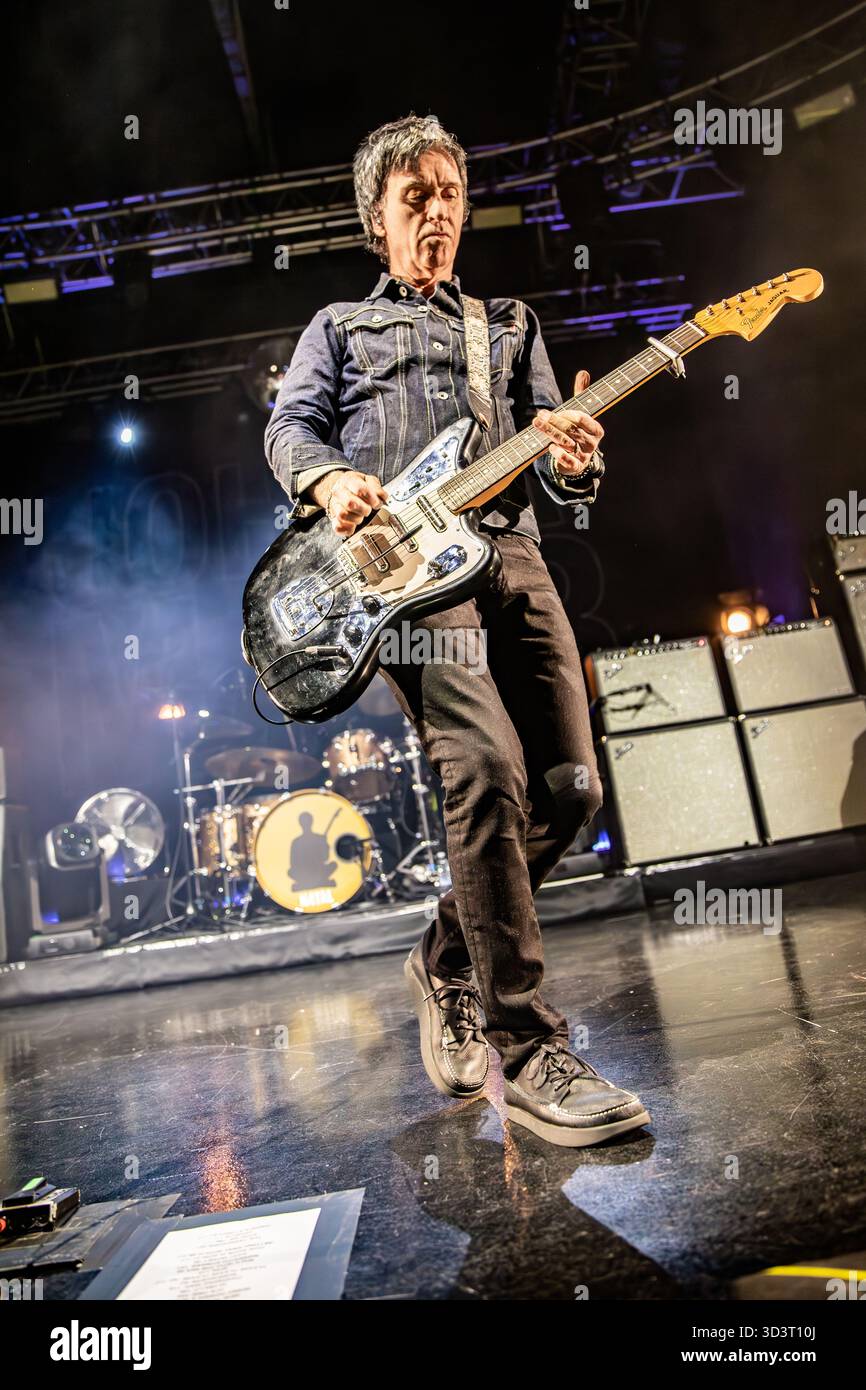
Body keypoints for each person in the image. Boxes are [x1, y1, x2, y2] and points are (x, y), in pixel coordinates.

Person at [265, 114, 650, 1147]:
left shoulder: (509, 323)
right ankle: (525, 1053)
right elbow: (288, 428)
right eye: (414, 198)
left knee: (569, 789)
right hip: (402, 575)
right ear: (376, 221)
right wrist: (333, 477)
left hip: (511, 559)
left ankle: (445, 951)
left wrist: (573, 461)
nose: (437, 212)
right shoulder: (339, 328)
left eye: (448, 192)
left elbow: (561, 461)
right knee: (484, 768)